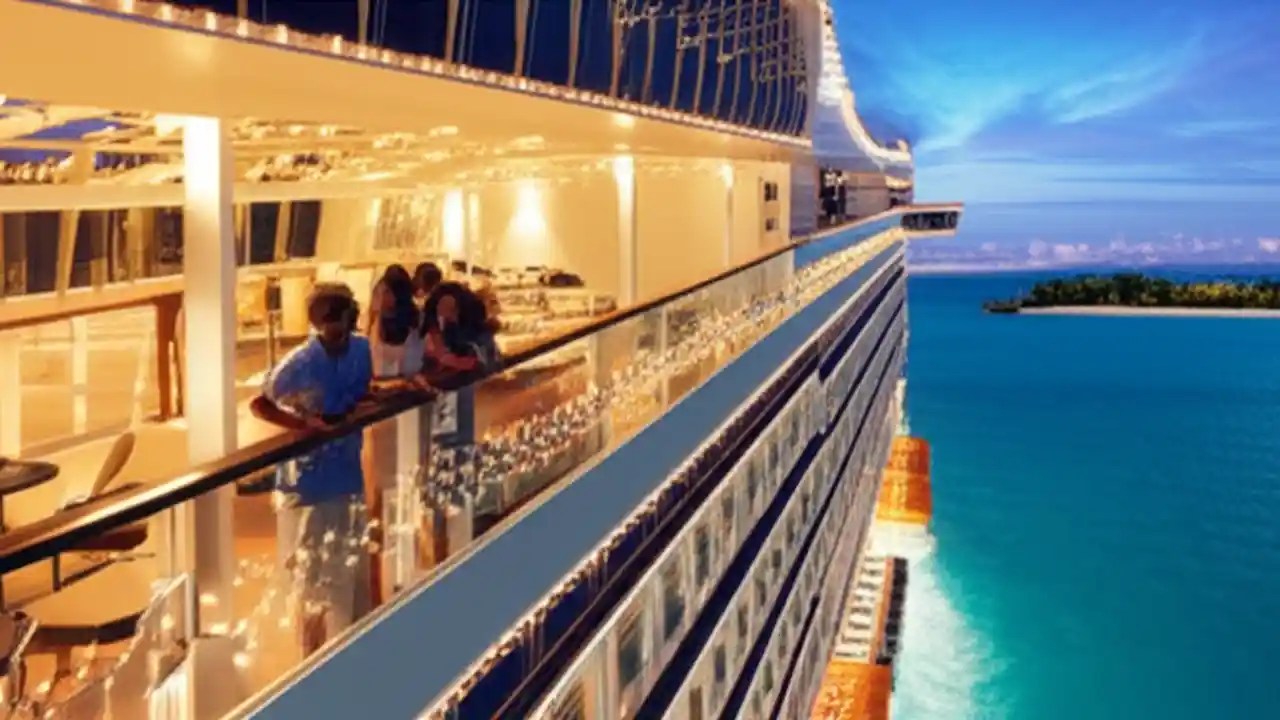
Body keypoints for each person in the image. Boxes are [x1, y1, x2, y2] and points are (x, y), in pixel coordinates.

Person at [252, 282, 373, 656]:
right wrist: (304, 425)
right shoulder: (299, 363)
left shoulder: (362, 350)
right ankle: (311, 653)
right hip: (306, 484)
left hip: (348, 473)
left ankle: (346, 646)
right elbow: (262, 403)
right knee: (309, 578)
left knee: (346, 567)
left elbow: (364, 390)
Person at [421, 281, 500, 377]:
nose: (441, 309)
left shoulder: (476, 330)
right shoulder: (445, 325)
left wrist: (451, 360)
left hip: (478, 383)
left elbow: (483, 363)